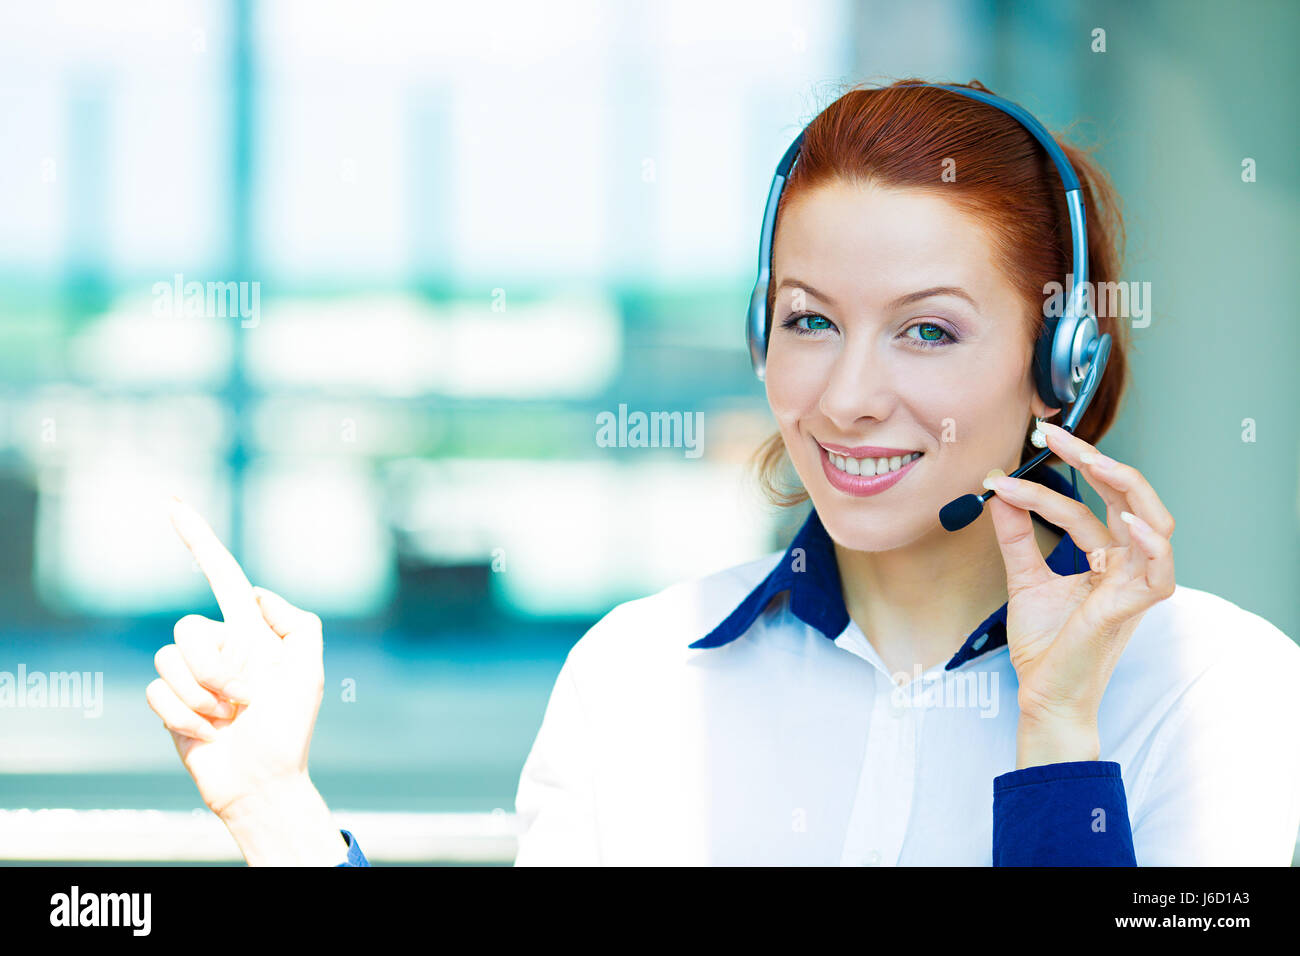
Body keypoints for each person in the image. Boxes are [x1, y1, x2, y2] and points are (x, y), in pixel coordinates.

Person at [146, 79, 1300, 866]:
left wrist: (1058, 733)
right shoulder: (635, 675)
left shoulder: (1219, 692)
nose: (846, 394)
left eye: (928, 331)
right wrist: (275, 805)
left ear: (1062, 359)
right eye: (808, 321)